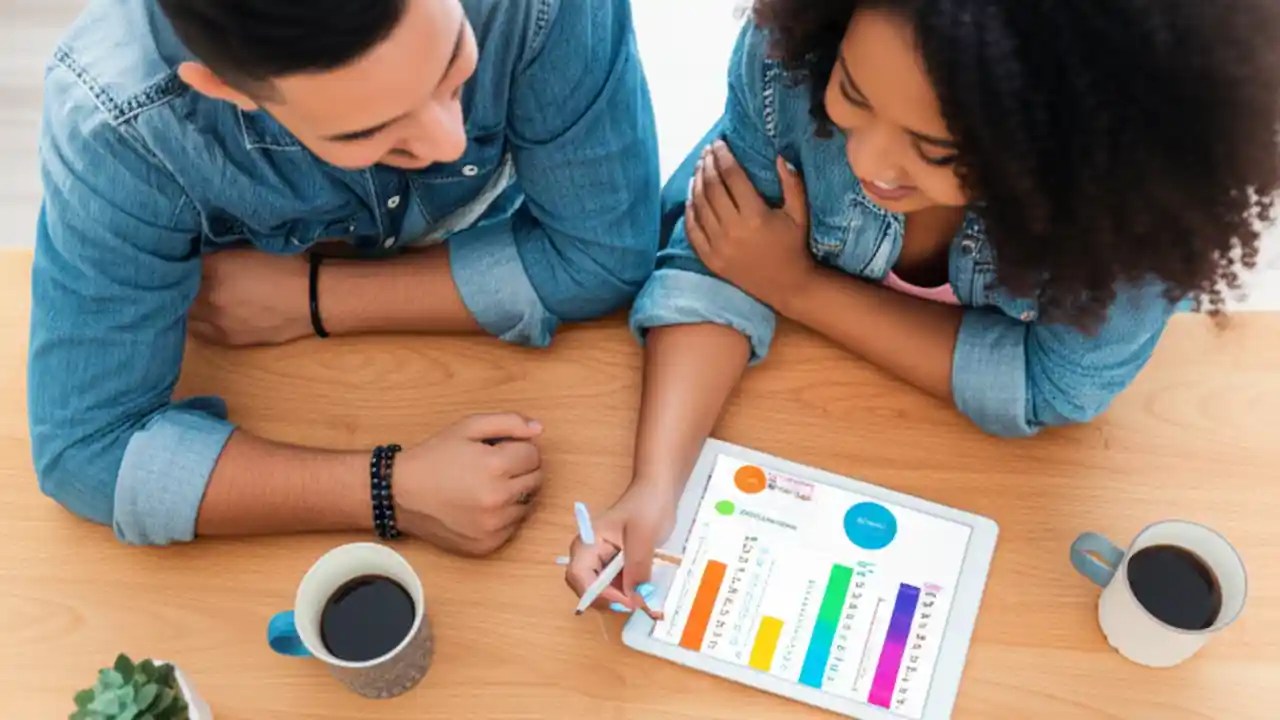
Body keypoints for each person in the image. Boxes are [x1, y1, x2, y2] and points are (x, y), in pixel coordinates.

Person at [566, 0, 1280, 609]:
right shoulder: (786, 62)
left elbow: (1058, 385)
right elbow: (719, 257)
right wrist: (657, 488)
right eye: (853, 92)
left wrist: (799, 289)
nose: (869, 163)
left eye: (935, 151)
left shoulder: (1124, 221)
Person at [29, 0, 659, 550]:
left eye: (452, 64)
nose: (448, 143)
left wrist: (314, 300)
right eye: (370, 131)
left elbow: (601, 256)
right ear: (225, 87)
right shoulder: (118, 117)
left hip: (478, 246)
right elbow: (87, 451)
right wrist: (387, 489)